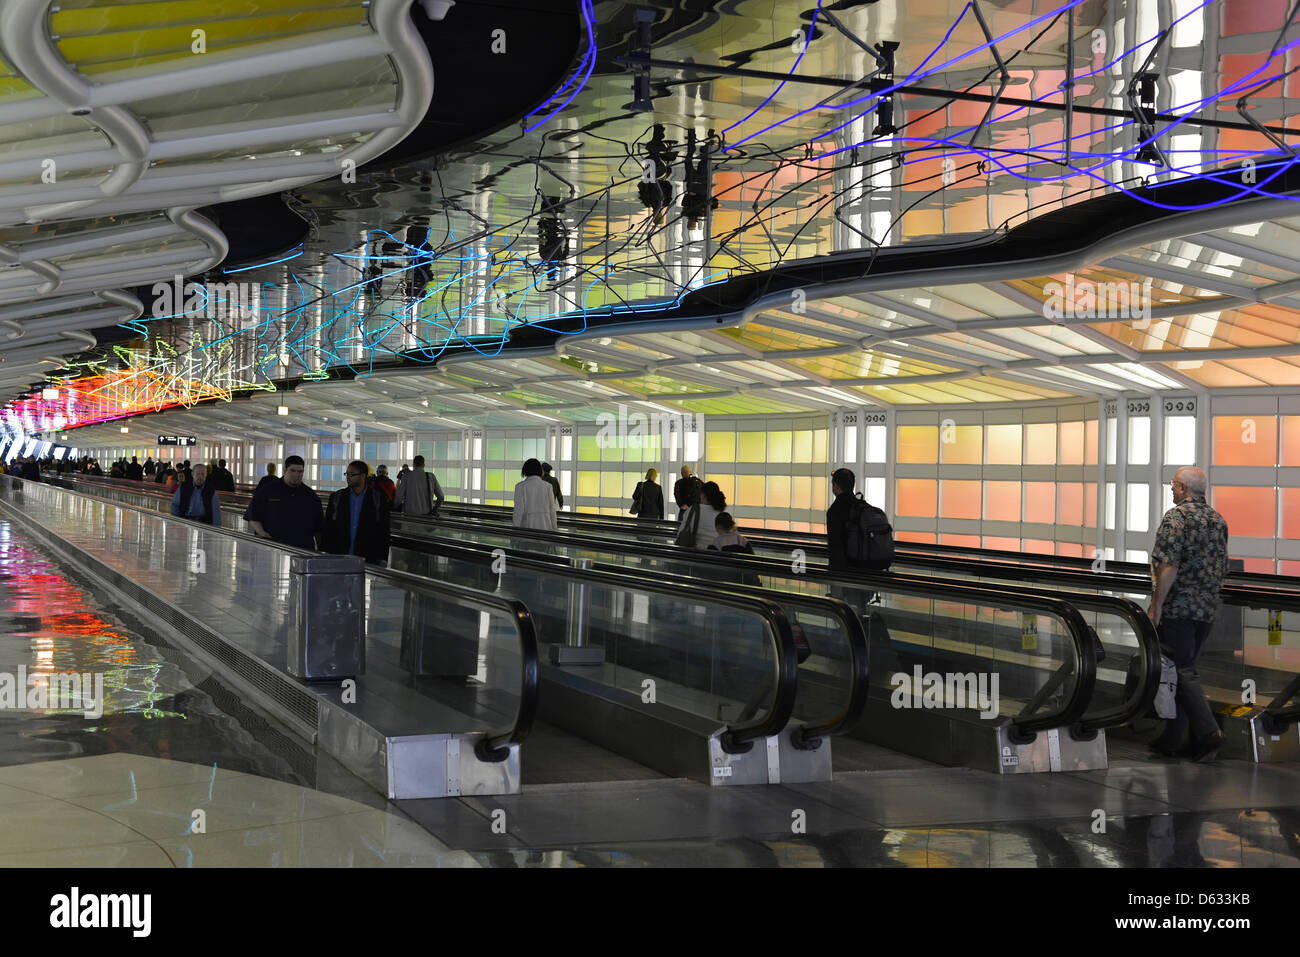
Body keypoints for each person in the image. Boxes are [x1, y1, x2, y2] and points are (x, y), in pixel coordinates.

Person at [1149, 466, 1229, 762]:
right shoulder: (1217, 519)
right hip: (1206, 609)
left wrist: (1156, 606)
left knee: (1181, 670)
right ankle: (1173, 739)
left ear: (1182, 487)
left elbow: (1169, 566)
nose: (1171, 489)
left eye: (1173, 485)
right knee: (1183, 670)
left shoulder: (1177, 517)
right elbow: (1222, 565)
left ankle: (1210, 734)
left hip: (1179, 607)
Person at [245, 455, 322, 550]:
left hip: (302, 550)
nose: (296, 475)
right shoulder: (268, 490)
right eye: (292, 471)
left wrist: (321, 551)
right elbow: (253, 515)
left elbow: (318, 527)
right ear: (284, 470)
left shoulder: (310, 496)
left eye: (300, 471)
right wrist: (261, 533)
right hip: (273, 547)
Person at [321, 460, 391, 565]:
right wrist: (325, 553)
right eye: (347, 474)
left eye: (352, 474)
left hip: (367, 559)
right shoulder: (337, 497)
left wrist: (383, 558)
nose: (348, 477)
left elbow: (384, 530)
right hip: (339, 558)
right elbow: (328, 528)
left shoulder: (378, 499)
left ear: (363, 476)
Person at [678, 480, 726, 550]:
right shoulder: (721, 512)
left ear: (703, 495)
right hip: (717, 555)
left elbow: (681, 533)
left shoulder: (693, 510)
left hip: (697, 555)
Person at [513, 458, 558, 531]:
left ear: (525, 470)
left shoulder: (520, 486)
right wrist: (554, 528)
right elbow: (552, 509)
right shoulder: (548, 486)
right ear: (540, 470)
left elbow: (518, 510)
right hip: (545, 527)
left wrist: (515, 529)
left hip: (527, 527)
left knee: (528, 541)